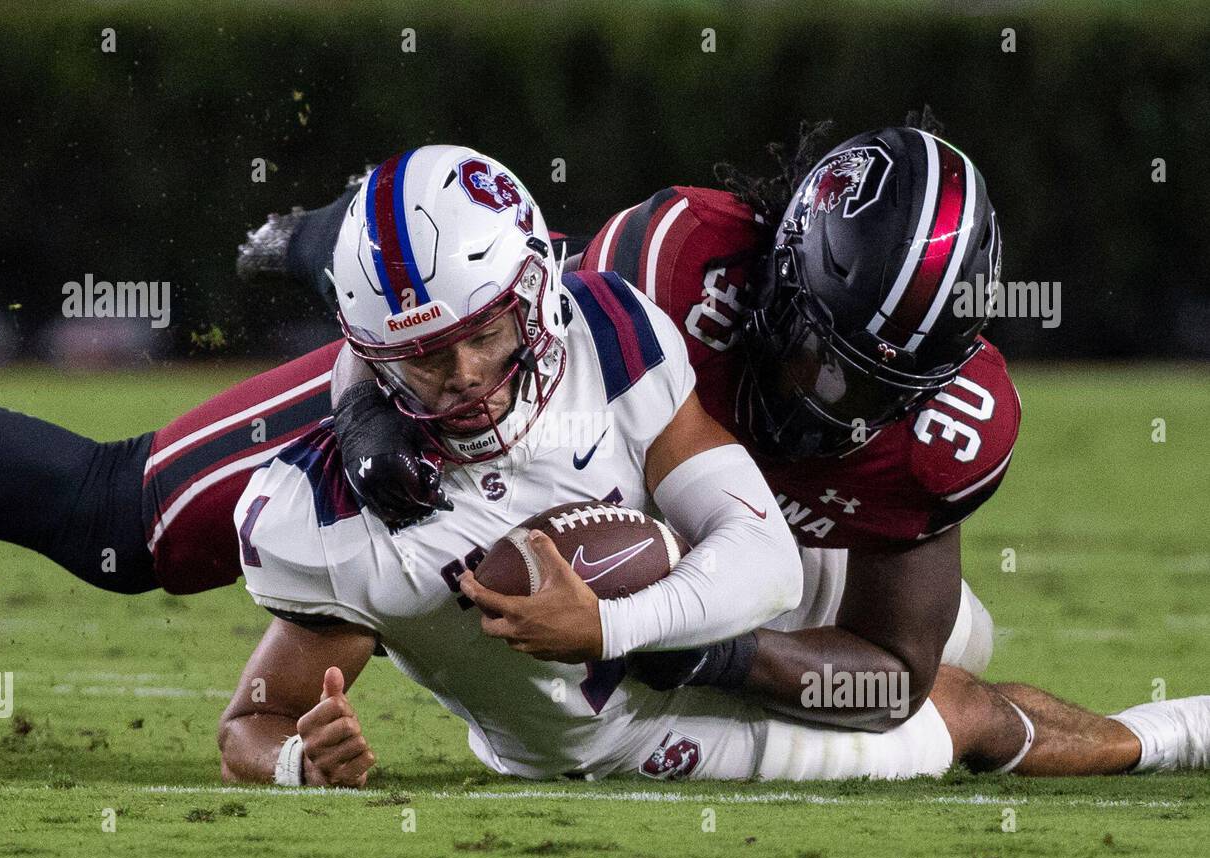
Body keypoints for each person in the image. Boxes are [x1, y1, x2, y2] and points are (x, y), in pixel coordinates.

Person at [216, 144, 1210, 787]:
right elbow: (256, 719)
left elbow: (841, 633)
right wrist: (301, 760)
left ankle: (1168, 733)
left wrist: (638, 629)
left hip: (721, 560)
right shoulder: (334, 507)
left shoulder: (609, 334)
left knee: (946, 658)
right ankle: (1174, 731)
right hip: (619, 717)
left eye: (490, 338)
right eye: (427, 359)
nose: (468, 378)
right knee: (961, 708)